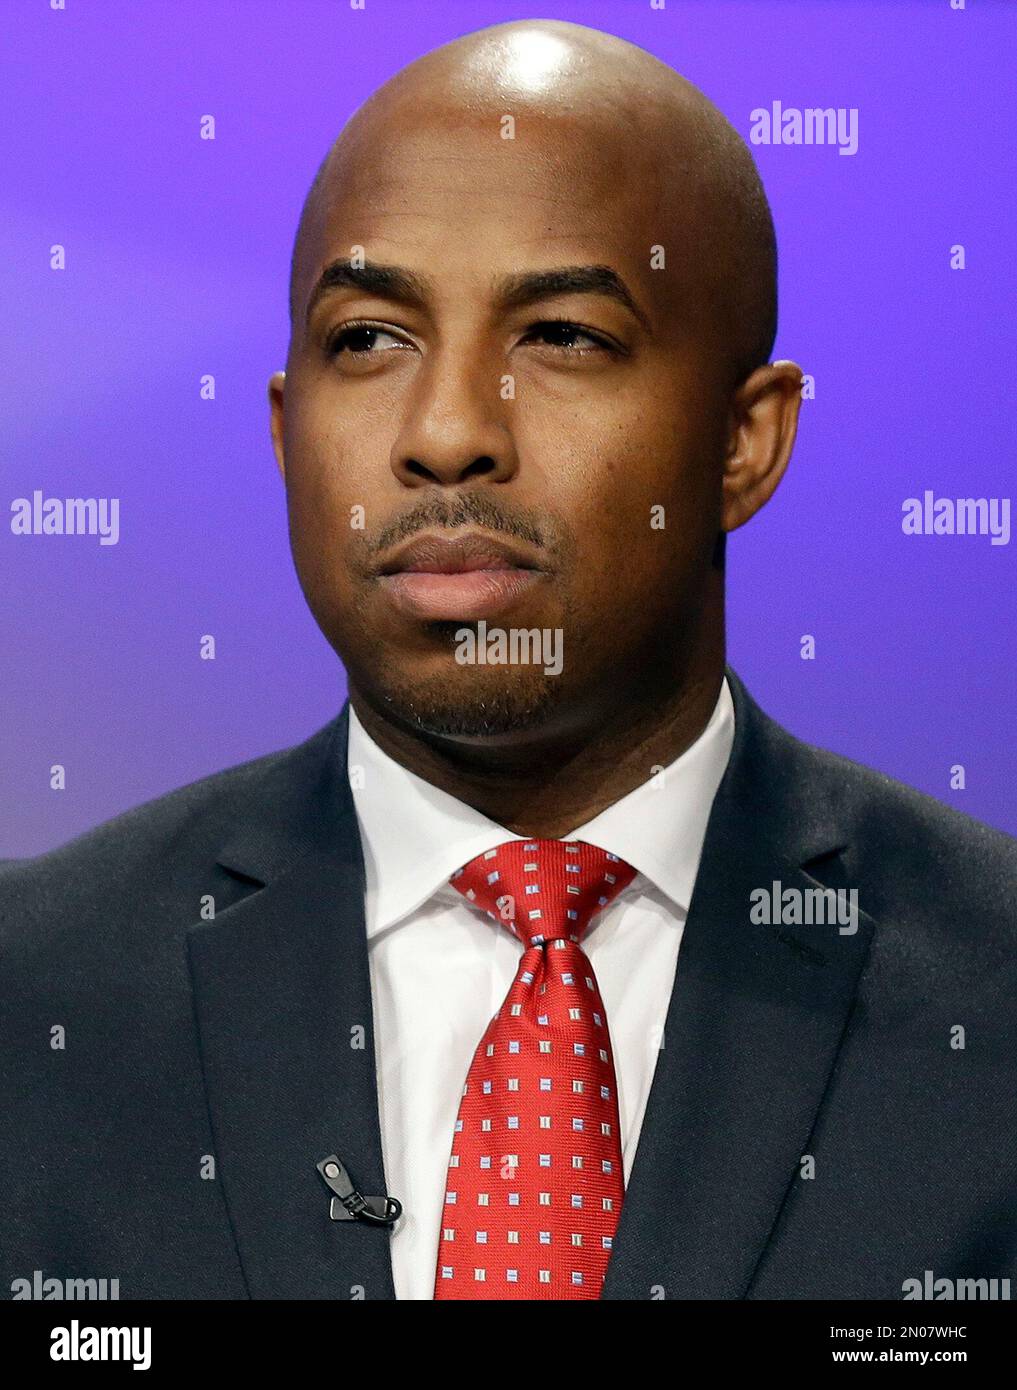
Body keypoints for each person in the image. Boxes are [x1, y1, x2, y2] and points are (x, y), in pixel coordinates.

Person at [2, 19, 1014, 1302]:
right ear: (281, 429)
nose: (446, 433)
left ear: (744, 442)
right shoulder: (30, 995)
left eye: (564, 337)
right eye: (369, 338)